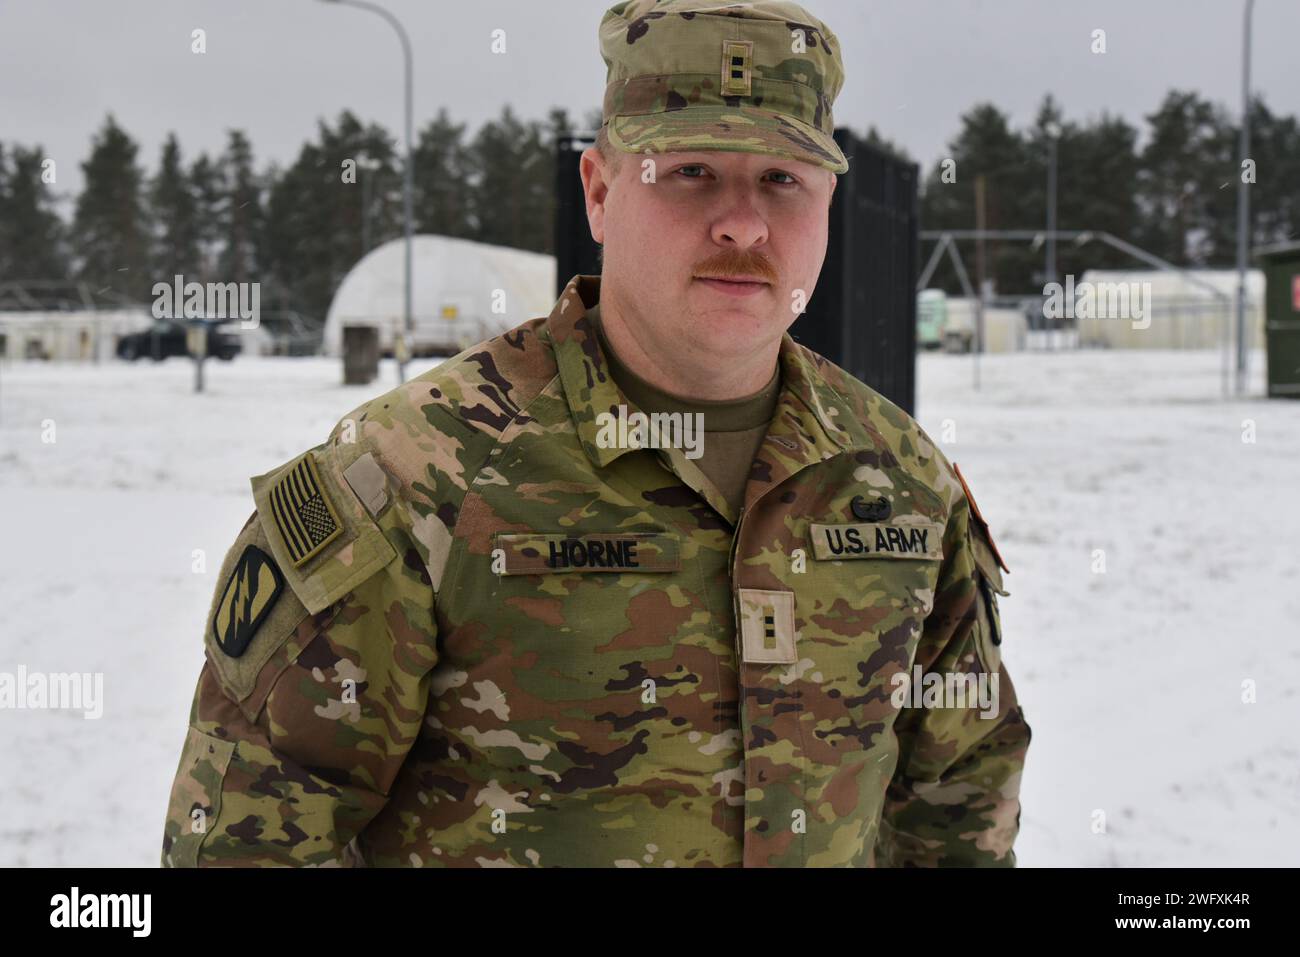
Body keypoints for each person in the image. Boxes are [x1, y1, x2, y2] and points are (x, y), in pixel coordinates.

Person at [161, 0, 1029, 868]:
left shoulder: (902, 480)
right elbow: (246, 840)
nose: (742, 222)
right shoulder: (415, 472)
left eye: (781, 179)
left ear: (828, 202)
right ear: (602, 192)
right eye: (690, 169)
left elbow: (961, 799)